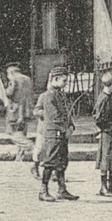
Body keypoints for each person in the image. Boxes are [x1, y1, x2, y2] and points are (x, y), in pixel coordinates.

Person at [33, 65, 79, 201]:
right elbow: (54, 117)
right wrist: (65, 130)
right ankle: (43, 190)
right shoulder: (48, 96)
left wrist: (71, 126)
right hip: (54, 134)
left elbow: (66, 113)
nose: (66, 84)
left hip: (62, 134)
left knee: (62, 162)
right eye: (64, 81)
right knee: (50, 162)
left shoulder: (60, 94)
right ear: (56, 79)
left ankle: (62, 189)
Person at [93, 71, 112, 197]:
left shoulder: (109, 96)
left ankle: (111, 183)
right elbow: (98, 117)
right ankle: (103, 186)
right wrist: (105, 128)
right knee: (105, 159)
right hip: (107, 132)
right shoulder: (104, 98)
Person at [0, 61, 36, 163]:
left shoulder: (14, 80)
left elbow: (10, 93)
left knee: (12, 132)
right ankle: (20, 156)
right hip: (26, 109)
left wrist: (6, 88)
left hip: (15, 109)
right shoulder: (28, 79)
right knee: (22, 131)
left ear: (11, 73)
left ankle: (29, 146)